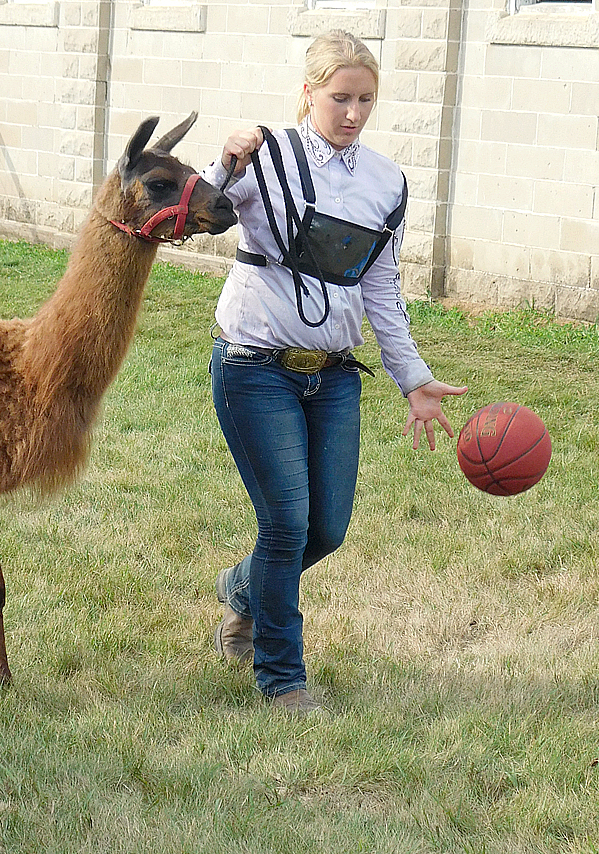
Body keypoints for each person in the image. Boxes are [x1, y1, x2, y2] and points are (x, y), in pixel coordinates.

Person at [200, 30, 467, 716]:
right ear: (309, 93)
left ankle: (240, 589)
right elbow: (196, 215)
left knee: (328, 531)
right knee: (287, 523)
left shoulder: (386, 182)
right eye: (340, 97)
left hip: (335, 377)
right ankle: (283, 680)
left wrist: (413, 379)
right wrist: (226, 162)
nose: (353, 112)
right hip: (254, 367)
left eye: (365, 100)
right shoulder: (268, 154)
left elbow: (382, 291)